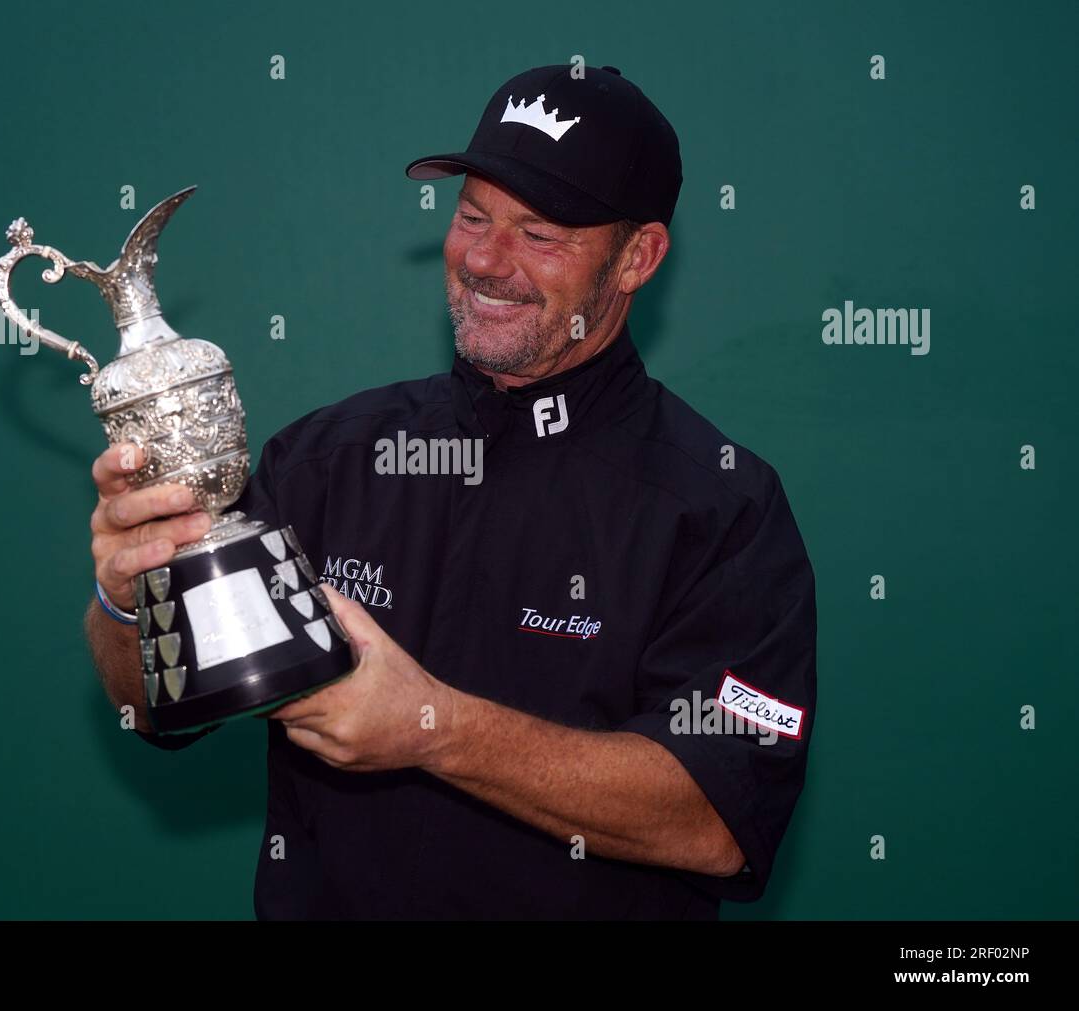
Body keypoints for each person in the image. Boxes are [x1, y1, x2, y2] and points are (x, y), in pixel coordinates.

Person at [86, 64, 817, 920]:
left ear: (637, 258)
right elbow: (161, 704)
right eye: (472, 216)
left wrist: (434, 725)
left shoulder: (723, 507)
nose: (483, 259)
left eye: (539, 233)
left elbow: (718, 819)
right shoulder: (327, 459)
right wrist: (129, 598)